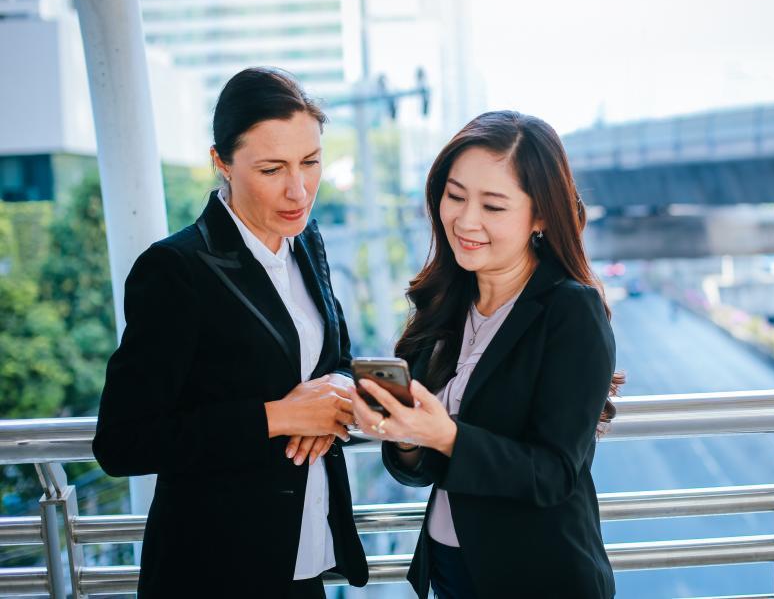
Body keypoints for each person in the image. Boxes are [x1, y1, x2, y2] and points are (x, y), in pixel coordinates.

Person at [93, 67, 367, 598]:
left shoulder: (306, 241)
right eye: (271, 169)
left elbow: (334, 359)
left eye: (311, 162)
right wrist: (279, 416)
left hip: (304, 556)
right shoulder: (175, 270)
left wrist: (337, 393)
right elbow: (123, 441)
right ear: (221, 162)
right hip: (214, 568)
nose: (299, 189)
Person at [350, 111, 622, 598]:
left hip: (536, 580)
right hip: (451, 570)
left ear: (540, 214)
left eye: (493, 206)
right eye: (455, 196)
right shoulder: (447, 300)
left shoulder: (570, 310)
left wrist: (448, 436)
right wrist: (407, 435)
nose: (465, 220)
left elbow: (555, 474)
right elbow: (418, 469)